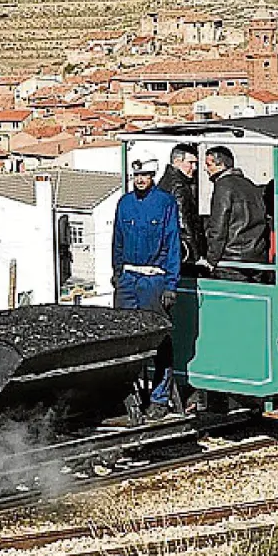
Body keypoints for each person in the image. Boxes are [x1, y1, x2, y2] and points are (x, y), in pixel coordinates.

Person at [113, 157, 183, 419]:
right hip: (128, 279)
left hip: (154, 280)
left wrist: (171, 284)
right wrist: (117, 273)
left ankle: (159, 398)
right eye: (137, 175)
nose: (140, 180)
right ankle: (127, 396)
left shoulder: (165, 203)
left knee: (159, 339)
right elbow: (118, 240)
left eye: (145, 175)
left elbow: (172, 243)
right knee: (123, 340)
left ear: (153, 176)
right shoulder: (125, 203)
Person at [202, 147, 269, 281]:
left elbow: (218, 227)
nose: (205, 169)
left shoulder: (223, 185)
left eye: (209, 164)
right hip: (256, 258)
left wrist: (211, 259)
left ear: (221, 165)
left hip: (230, 260)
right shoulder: (250, 186)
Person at [157, 143, 201, 271]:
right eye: (190, 163)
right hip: (181, 251)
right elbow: (184, 221)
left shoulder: (165, 181)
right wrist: (196, 255)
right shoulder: (178, 186)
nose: (194, 167)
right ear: (177, 162)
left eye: (195, 163)